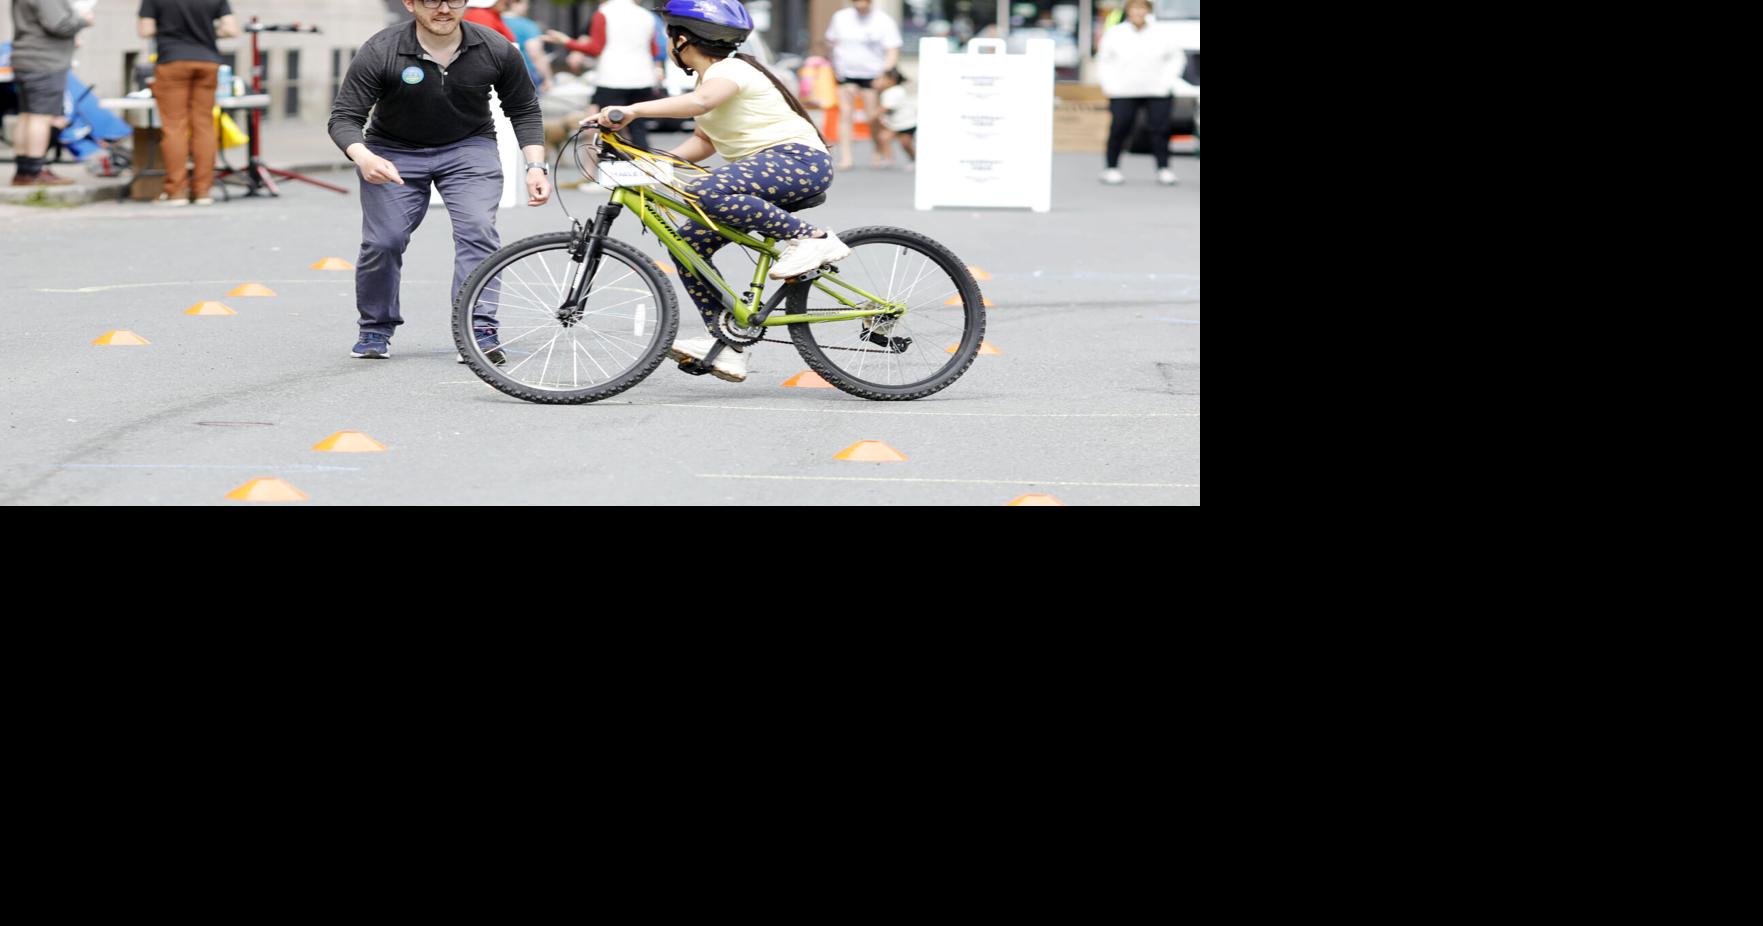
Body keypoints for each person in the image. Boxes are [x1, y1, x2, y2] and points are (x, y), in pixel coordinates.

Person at [583, 0, 846, 384]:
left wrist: (633, 110)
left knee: (706, 190)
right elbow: (704, 142)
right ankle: (728, 344)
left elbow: (701, 103)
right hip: (767, 171)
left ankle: (812, 239)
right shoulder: (706, 82)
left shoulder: (730, 70)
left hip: (798, 161)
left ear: (682, 40)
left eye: (669, 36)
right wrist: (654, 163)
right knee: (686, 244)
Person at [327, 0, 549, 362]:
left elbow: (524, 108)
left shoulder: (494, 48)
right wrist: (363, 156)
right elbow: (344, 117)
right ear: (410, 3)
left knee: (478, 230)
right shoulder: (381, 50)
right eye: (432, 0)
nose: (444, 9)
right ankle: (375, 328)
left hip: (468, 147)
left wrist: (536, 166)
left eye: (454, 0)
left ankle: (477, 330)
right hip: (393, 151)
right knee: (384, 241)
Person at [137, 0, 239, 206]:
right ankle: (203, 191)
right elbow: (231, 29)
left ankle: (176, 191)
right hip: (207, 60)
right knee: (204, 125)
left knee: (174, 126)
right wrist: (208, 31)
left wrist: (170, 30)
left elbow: (145, 30)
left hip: (172, 59)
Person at [544, 0, 663, 153]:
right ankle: (645, 165)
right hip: (643, 78)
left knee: (609, 130)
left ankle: (611, 165)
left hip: (612, 78)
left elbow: (595, 49)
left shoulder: (603, 13)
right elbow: (653, 50)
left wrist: (566, 41)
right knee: (638, 129)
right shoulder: (646, 15)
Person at [8, 0, 92, 187]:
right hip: (45, 61)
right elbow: (59, 25)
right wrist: (83, 20)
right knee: (41, 117)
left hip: (27, 58)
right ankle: (35, 171)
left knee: (27, 115)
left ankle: (24, 170)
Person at [1097, 0, 1179, 186]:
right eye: (1134, 8)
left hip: (1157, 90)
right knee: (1119, 128)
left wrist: (1167, 82)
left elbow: (1175, 58)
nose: (1138, 12)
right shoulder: (1115, 33)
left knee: (1160, 130)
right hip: (1123, 90)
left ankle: (1164, 169)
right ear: (1128, 11)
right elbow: (1104, 59)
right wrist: (1109, 84)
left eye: (1142, 8)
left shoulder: (1161, 32)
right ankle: (1111, 168)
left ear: (1148, 10)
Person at [824, 0, 900, 171]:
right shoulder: (840, 18)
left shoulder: (883, 20)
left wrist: (885, 73)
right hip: (845, 72)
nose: (860, 6)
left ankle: (877, 149)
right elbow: (830, 42)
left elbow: (892, 50)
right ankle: (846, 157)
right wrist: (834, 66)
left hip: (872, 74)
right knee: (845, 113)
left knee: (871, 115)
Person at [499, 0, 546, 89]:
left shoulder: (493, 21)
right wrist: (546, 77)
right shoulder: (527, 25)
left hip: (498, 74)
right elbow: (535, 53)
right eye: (526, 3)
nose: (527, 7)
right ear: (514, 3)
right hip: (524, 75)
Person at [873, 67, 914, 169]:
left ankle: (914, 159)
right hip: (896, 123)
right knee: (884, 137)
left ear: (892, 80)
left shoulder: (895, 91)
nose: (879, 81)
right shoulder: (887, 91)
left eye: (882, 79)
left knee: (906, 143)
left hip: (906, 123)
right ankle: (888, 159)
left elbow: (886, 108)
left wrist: (875, 115)